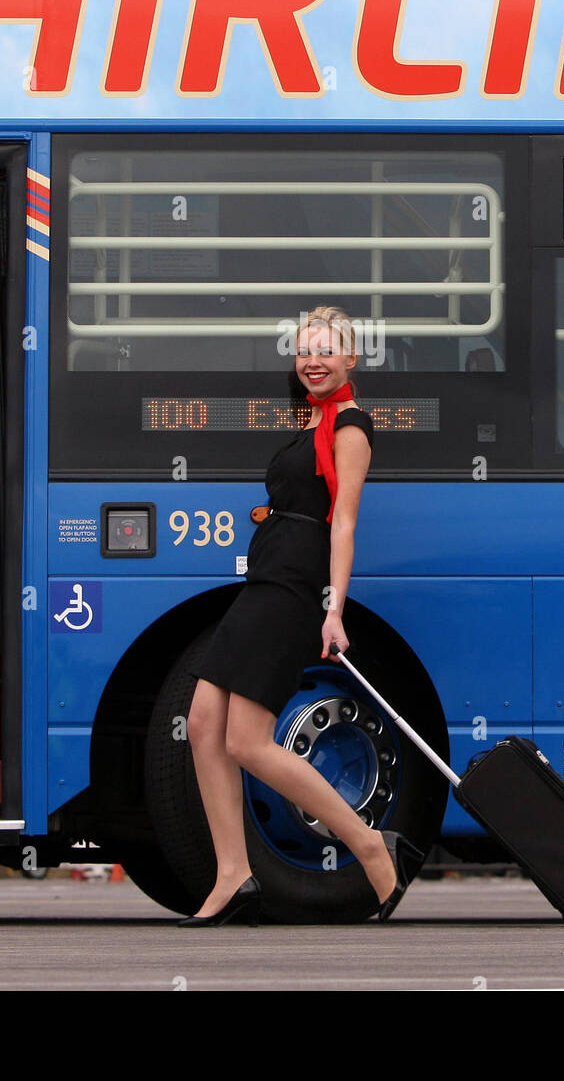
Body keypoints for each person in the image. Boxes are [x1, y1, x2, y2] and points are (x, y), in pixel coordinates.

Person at [183, 305, 422, 925]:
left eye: (326, 350)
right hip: (264, 581)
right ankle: (233, 873)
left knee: (247, 741)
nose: (312, 360)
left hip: (292, 591)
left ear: (350, 359)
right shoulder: (309, 420)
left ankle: (369, 845)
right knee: (205, 722)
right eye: (303, 350)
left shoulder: (349, 427)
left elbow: (343, 522)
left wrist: (334, 609)